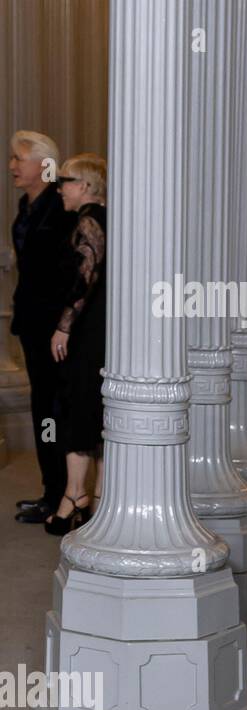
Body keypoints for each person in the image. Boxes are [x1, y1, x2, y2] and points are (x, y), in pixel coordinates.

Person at [9, 131, 76, 524]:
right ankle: (51, 489)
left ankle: (65, 494)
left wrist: (63, 323)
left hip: (57, 330)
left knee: (54, 409)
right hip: (32, 324)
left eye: (19, 158)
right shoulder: (26, 205)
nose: (13, 166)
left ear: (45, 165)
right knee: (42, 408)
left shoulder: (62, 207)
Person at [43, 153, 107, 536]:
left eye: (65, 180)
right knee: (90, 409)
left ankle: (75, 498)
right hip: (99, 327)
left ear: (84, 186)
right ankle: (90, 500)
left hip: (87, 330)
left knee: (76, 406)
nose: (59, 187)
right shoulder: (108, 218)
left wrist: (64, 325)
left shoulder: (88, 220)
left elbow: (87, 275)